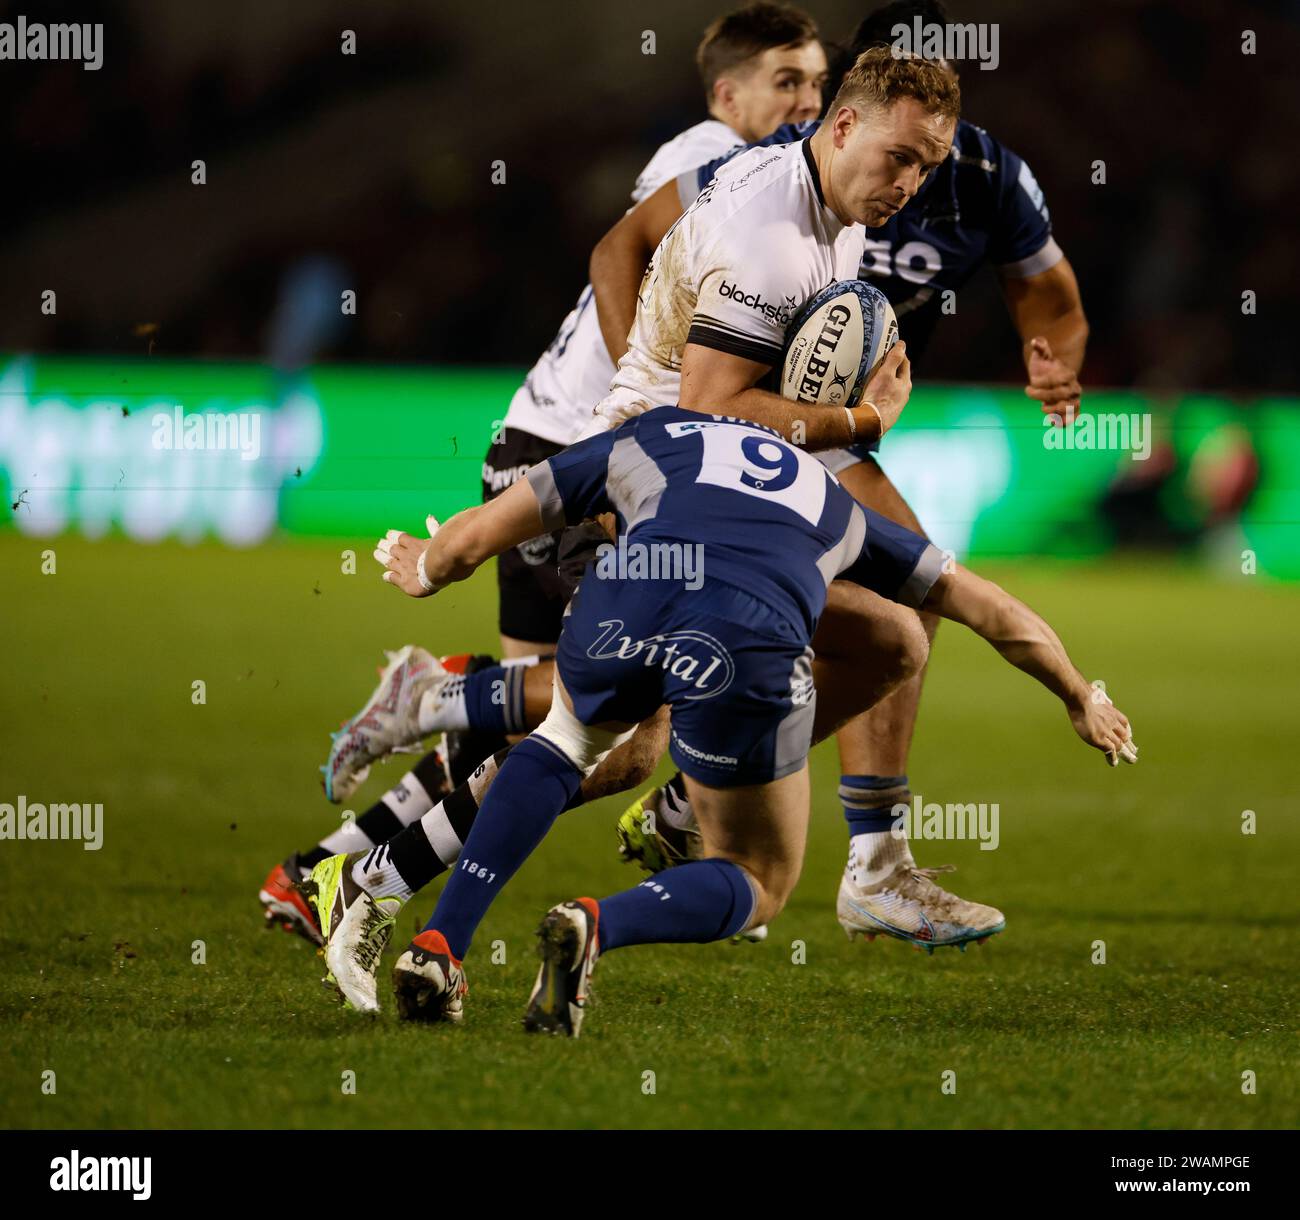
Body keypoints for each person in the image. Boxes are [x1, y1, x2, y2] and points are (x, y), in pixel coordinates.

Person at [258, 2, 829, 943]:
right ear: (729, 92)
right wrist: (635, 414)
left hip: (564, 445)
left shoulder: (778, 188)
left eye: (817, 81)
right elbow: (621, 254)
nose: (808, 98)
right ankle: (429, 718)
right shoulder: (712, 156)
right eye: (788, 81)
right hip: (582, 456)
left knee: (547, 736)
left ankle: (323, 871)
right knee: (620, 723)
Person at [304, 405, 1136, 1026]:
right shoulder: (836, 502)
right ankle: (597, 921)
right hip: (746, 638)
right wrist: (1078, 693)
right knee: (758, 875)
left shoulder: (653, 432)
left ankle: (442, 942)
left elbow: (488, 525)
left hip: (628, 593)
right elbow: (985, 607)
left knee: (569, 740)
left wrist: (428, 570)